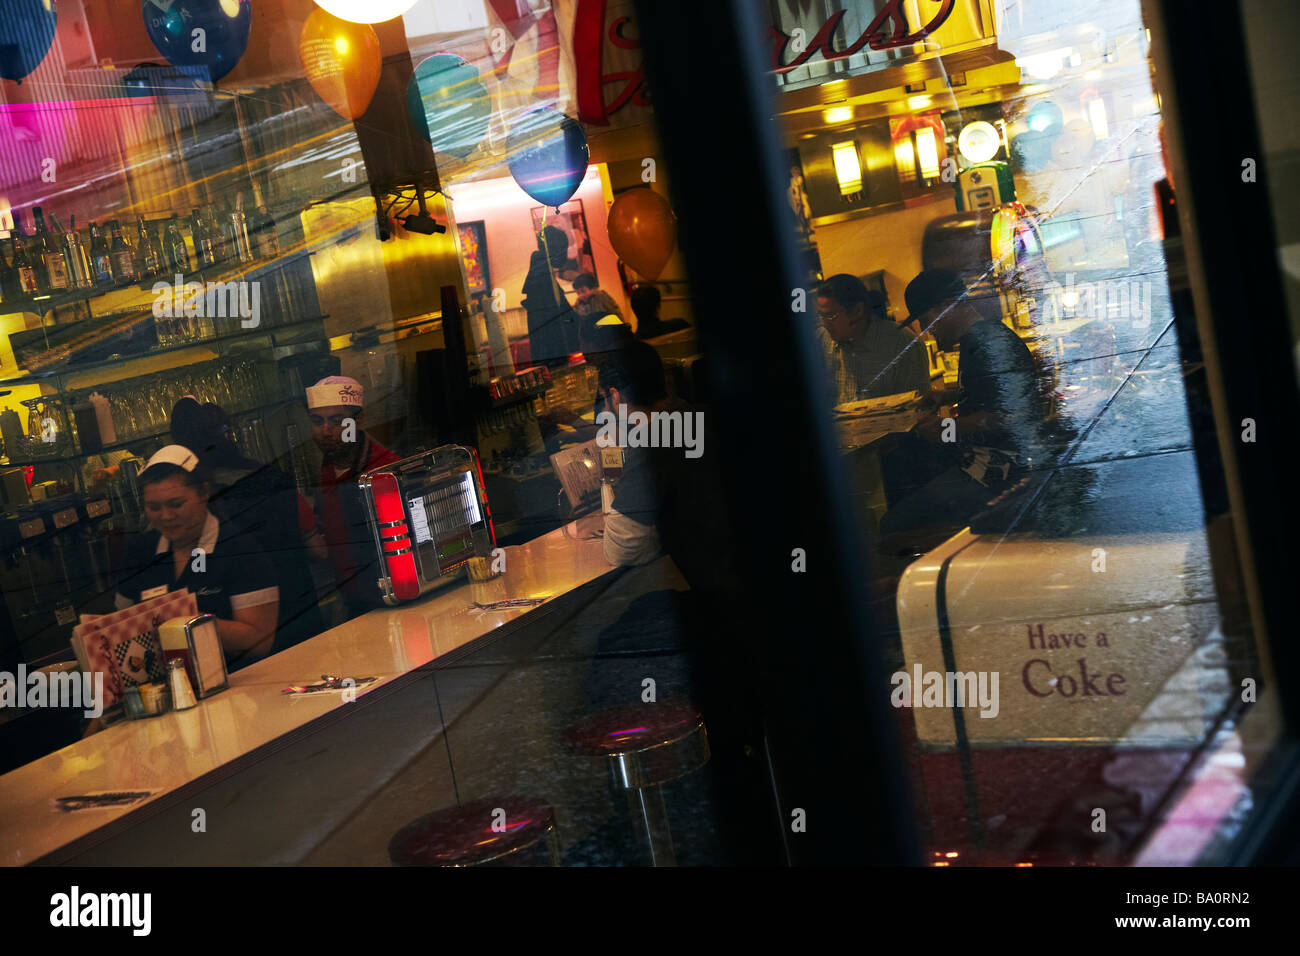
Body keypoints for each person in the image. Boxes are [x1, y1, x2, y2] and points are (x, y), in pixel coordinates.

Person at [879, 269, 1050, 538]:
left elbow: (1008, 415)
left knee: (893, 525)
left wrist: (944, 428)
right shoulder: (983, 337)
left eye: (926, 319)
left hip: (998, 474)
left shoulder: (988, 344)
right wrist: (948, 395)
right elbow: (992, 394)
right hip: (987, 466)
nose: (925, 330)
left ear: (948, 306)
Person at [170, 397, 324, 654]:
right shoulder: (273, 478)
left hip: (244, 644)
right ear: (230, 435)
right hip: (302, 621)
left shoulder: (197, 503)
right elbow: (316, 547)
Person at [114, 445, 279, 671]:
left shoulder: (238, 549)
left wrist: (190, 621)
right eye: (154, 507)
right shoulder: (140, 553)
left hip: (239, 689)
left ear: (203, 493)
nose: (166, 516)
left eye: (176, 504)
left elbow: (259, 640)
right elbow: (118, 626)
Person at [304, 376, 402, 617]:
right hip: (353, 602)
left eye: (337, 421)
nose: (326, 431)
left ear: (359, 420)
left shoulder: (386, 468)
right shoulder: (328, 466)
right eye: (318, 421)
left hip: (391, 600)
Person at [816, 274, 930, 404]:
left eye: (830, 316)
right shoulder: (821, 341)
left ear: (857, 311)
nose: (824, 324)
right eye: (821, 316)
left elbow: (920, 406)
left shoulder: (903, 344)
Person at [521, 224, 580, 367]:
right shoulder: (542, 275)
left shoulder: (540, 272)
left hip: (549, 355)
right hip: (553, 356)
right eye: (563, 248)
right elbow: (558, 318)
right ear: (556, 248)